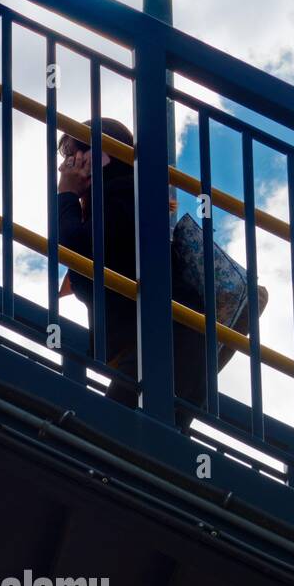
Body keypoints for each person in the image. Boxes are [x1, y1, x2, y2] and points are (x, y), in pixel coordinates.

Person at [57, 118, 208, 431]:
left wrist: (66, 194)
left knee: (109, 442)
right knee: (133, 450)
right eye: (66, 159)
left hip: (166, 341)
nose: (67, 166)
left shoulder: (124, 193)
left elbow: (75, 245)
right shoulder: (118, 195)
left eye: (76, 153)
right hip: (166, 343)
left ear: (105, 153)